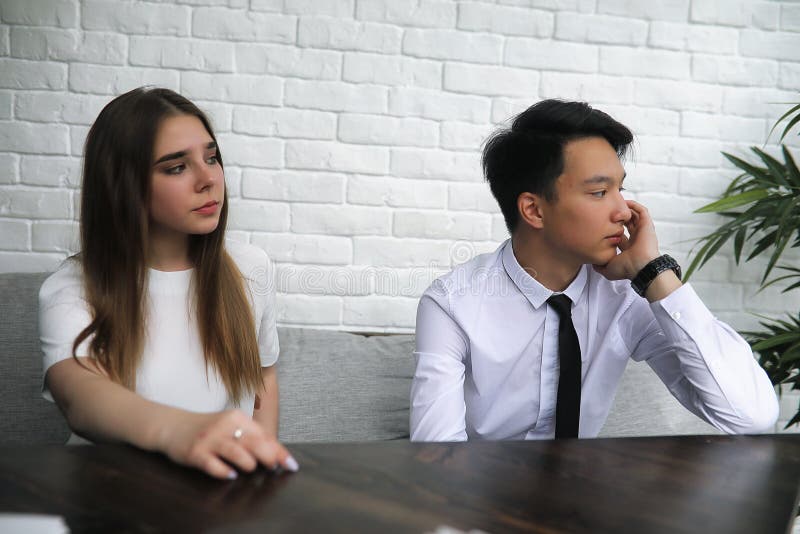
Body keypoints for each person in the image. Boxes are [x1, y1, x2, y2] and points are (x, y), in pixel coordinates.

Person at [410, 99, 779, 442]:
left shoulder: (628, 295)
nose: (623, 210)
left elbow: (751, 416)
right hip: (481, 500)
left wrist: (655, 272)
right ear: (534, 210)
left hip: (587, 499)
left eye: (621, 188)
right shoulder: (453, 304)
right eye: (600, 192)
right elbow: (439, 456)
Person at [39, 87, 298, 479]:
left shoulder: (250, 268)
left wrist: (260, 473)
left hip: (220, 498)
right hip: (112, 496)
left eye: (211, 158)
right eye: (176, 167)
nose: (208, 178)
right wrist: (183, 430)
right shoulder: (73, 287)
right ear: (124, 186)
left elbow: (263, 376)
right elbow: (80, 396)